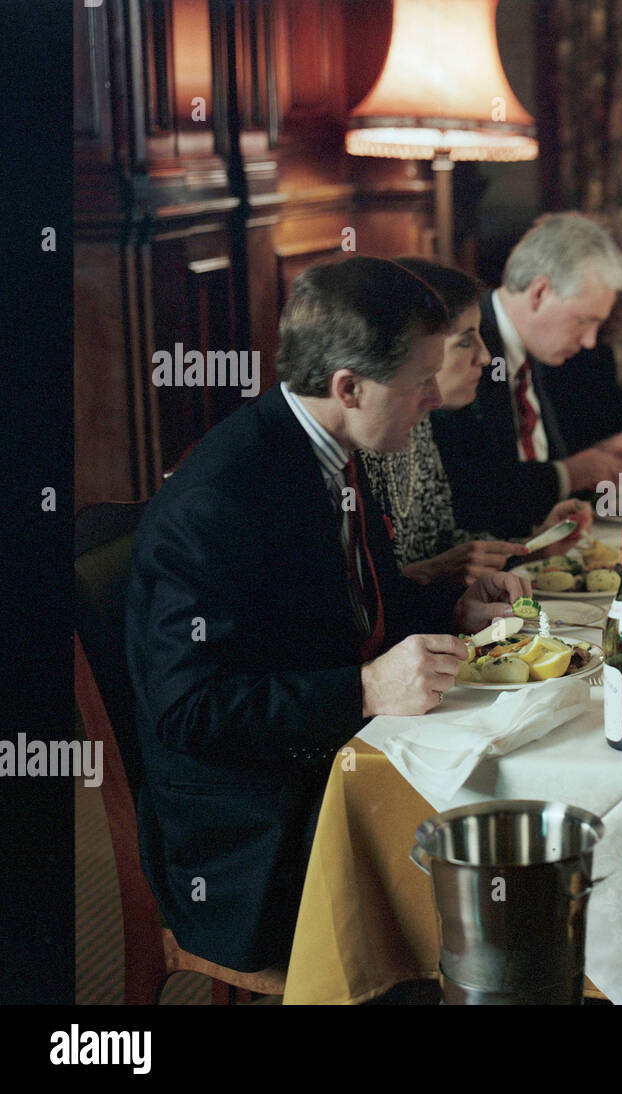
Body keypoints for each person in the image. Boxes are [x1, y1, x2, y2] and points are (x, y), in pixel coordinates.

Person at [126, 256, 528, 971]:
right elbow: (189, 711)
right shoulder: (218, 499)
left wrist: (452, 605)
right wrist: (366, 689)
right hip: (254, 845)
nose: (435, 398)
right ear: (349, 386)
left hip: (333, 772)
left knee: (526, 796)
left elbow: (346, 607)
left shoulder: (328, 449)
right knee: (511, 867)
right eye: (420, 382)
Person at [359, 258, 593, 587]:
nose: (485, 357)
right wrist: (432, 574)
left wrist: (532, 547)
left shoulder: (419, 424)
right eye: (466, 340)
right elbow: (364, 595)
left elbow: (446, 545)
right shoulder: (366, 438)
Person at [430, 212, 622, 538]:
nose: (591, 340)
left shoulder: (535, 346)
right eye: (583, 321)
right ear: (539, 293)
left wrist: (599, 456)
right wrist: (568, 474)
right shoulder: (465, 351)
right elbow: (469, 490)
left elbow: (540, 456)